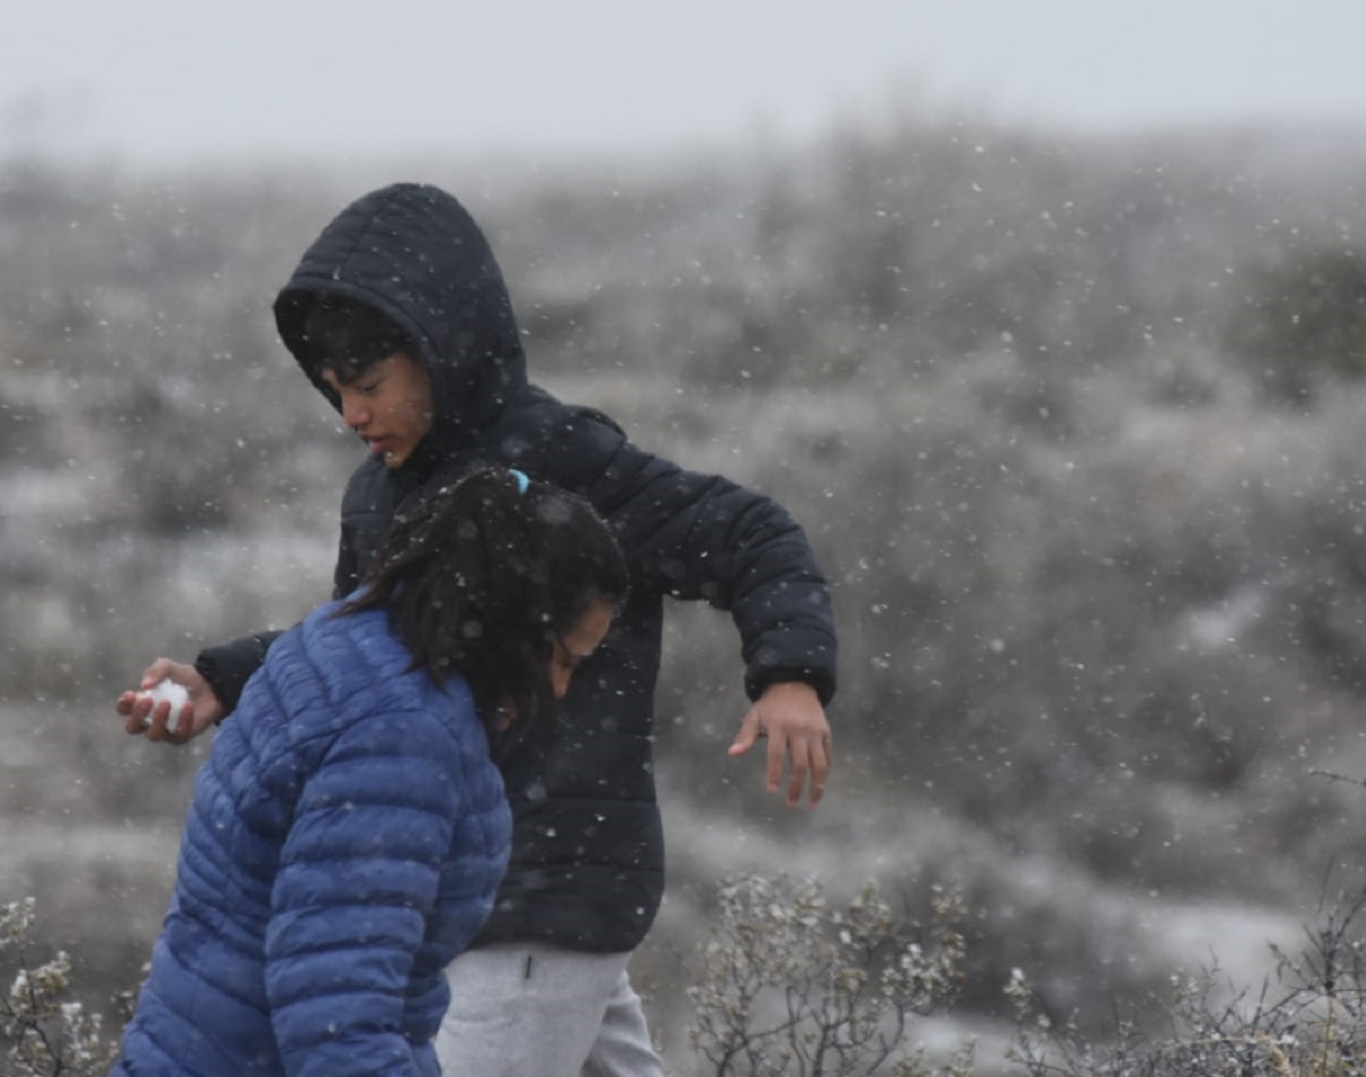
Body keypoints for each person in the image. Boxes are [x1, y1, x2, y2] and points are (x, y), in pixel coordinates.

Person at [116, 182, 839, 1076]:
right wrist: (227, 677)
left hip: (541, 902)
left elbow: (750, 534)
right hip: (459, 894)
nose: (352, 416)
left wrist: (790, 674)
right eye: (336, 390)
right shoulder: (379, 492)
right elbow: (374, 652)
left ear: (440, 350)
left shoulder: (568, 464)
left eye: (371, 385)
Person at [113, 464, 629, 1076]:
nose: (562, 687)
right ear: (515, 621)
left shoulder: (348, 636)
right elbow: (338, 1019)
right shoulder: (404, 734)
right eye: (564, 658)